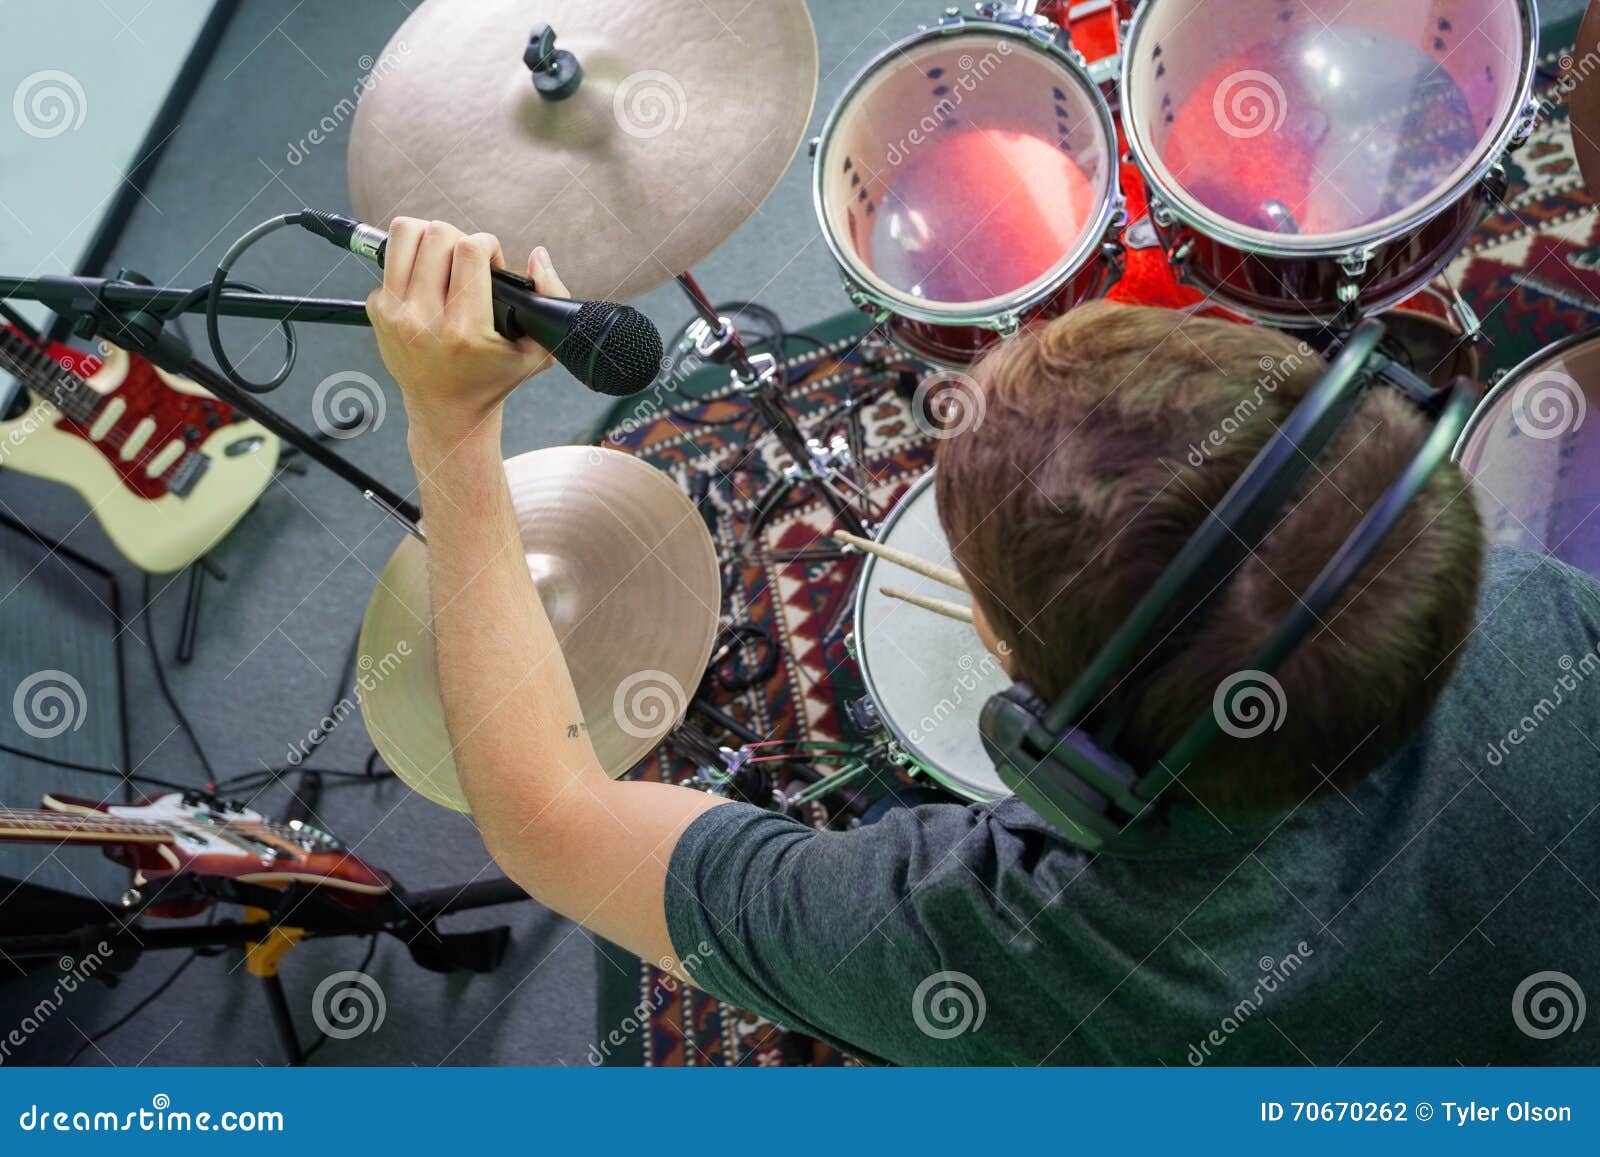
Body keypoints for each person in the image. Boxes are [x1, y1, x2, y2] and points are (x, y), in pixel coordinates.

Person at [368, 219, 1600, 1066]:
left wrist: (451, 433)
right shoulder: (1544, 605)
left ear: (1034, 731)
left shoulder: (1034, 950)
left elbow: (543, 810)